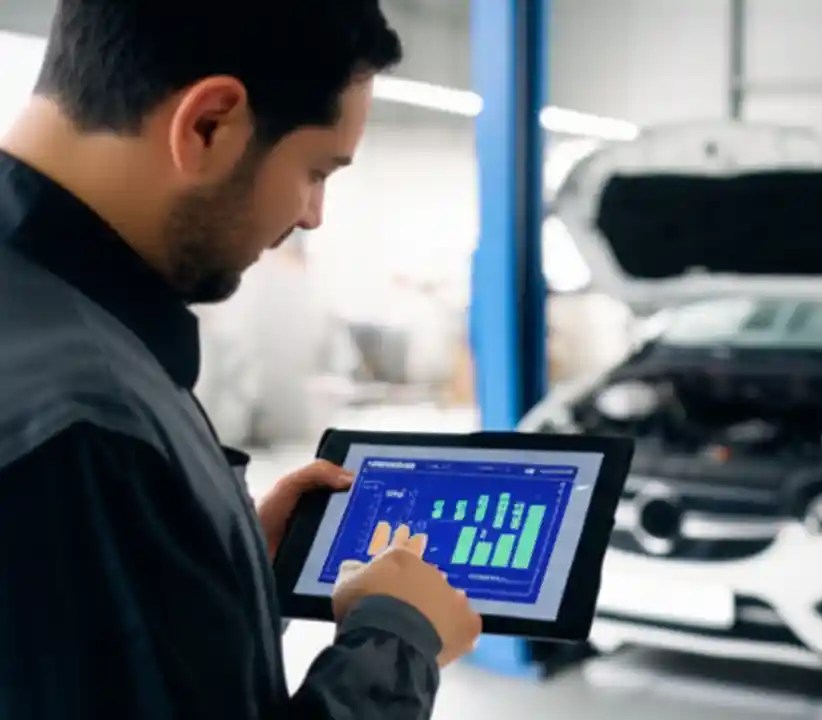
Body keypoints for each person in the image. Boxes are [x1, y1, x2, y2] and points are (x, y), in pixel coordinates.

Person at [0, 1, 481, 717]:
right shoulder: (91, 424)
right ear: (208, 124)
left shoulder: (57, 328)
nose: (312, 214)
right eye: (318, 168)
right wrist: (396, 645)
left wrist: (217, 554)